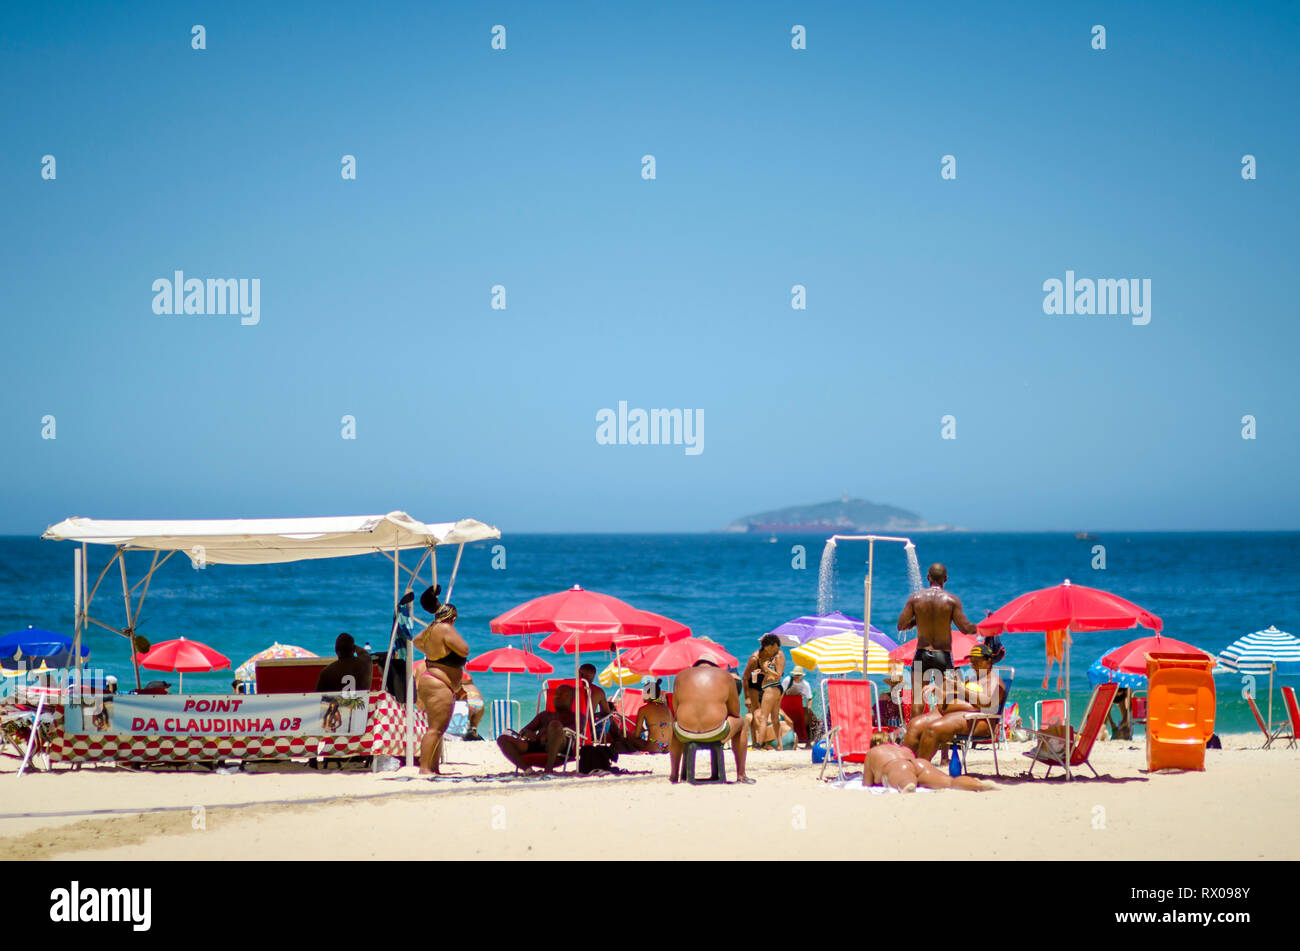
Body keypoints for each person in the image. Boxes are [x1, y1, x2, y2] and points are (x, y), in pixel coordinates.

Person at [902, 637, 1007, 763]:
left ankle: (920, 766)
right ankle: (904, 763)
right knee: (914, 725)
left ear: (988, 661)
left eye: (977, 662)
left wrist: (960, 687)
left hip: (978, 721)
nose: (973, 665)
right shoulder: (973, 679)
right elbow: (953, 695)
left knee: (933, 728)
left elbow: (986, 702)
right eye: (972, 662)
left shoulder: (994, 681)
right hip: (955, 714)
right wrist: (937, 689)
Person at [897, 563, 979, 702]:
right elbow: (965, 628)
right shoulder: (952, 601)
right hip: (943, 656)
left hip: (922, 654)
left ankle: (914, 724)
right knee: (946, 700)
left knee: (917, 701)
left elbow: (901, 625)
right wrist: (983, 626)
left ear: (928, 577)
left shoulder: (915, 599)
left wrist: (919, 620)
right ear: (945, 579)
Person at [412, 585, 471, 774]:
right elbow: (464, 649)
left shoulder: (431, 629)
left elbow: (416, 641)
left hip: (432, 680)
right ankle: (424, 769)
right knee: (435, 729)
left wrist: (433, 651)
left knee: (437, 729)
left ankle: (433, 768)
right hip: (439, 684)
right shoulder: (445, 628)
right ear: (452, 617)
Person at [670, 655, 754, 783]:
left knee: (675, 725)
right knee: (740, 722)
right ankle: (741, 774)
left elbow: (676, 710)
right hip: (716, 732)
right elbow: (735, 712)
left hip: (684, 733)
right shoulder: (725, 676)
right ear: (715, 667)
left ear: (696, 666)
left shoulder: (681, 676)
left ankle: (674, 775)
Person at [496, 684, 577, 772]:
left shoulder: (576, 717)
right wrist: (528, 733)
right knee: (502, 739)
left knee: (555, 725)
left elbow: (576, 731)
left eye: (562, 694)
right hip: (537, 744)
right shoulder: (544, 715)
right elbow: (523, 730)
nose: (557, 696)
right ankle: (527, 770)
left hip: (559, 747)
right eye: (556, 693)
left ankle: (548, 769)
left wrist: (549, 733)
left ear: (571, 699)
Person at [861, 737, 990, 792]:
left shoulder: (873, 752)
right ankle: (977, 784)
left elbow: (867, 783)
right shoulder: (903, 749)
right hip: (919, 763)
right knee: (949, 782)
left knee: (906, 780)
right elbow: (911, 763)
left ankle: (907, 784)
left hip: (897, 766)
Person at [742, 634, 785, 750]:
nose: (770, 652)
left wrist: (765, 670)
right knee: (755, 713)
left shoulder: (775, 655)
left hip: (769, 686)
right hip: (754, 686)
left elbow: (777, 674)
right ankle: (756, 741)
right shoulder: (755, 658)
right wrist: (747, 697)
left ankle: (761, 743)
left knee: (764, 717)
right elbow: (745, 677)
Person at [619, 680, 674, 753]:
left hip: (654, 747)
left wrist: (635, 732)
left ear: (649, 693)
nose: (642, 694)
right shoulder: (667, 709)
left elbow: (636, 736)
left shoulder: (643, 709)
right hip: (668, 747)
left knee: (628, 736)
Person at [578, 663, 621, 741]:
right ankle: (619, 739)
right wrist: (594, 715)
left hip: (568, 728)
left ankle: (619, 738)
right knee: (609, 717)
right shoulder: (598, 691)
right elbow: (606, 713)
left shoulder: (568, 688)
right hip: (588, 731)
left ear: (579, 673)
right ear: (594, 676)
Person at [460, 671, 486, 740]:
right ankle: (473, 735)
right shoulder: (472, 684)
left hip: (469, 703)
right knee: (473, 726)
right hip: (479, 702)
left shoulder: (459, 684)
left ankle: (464, 737)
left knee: (464, 724)